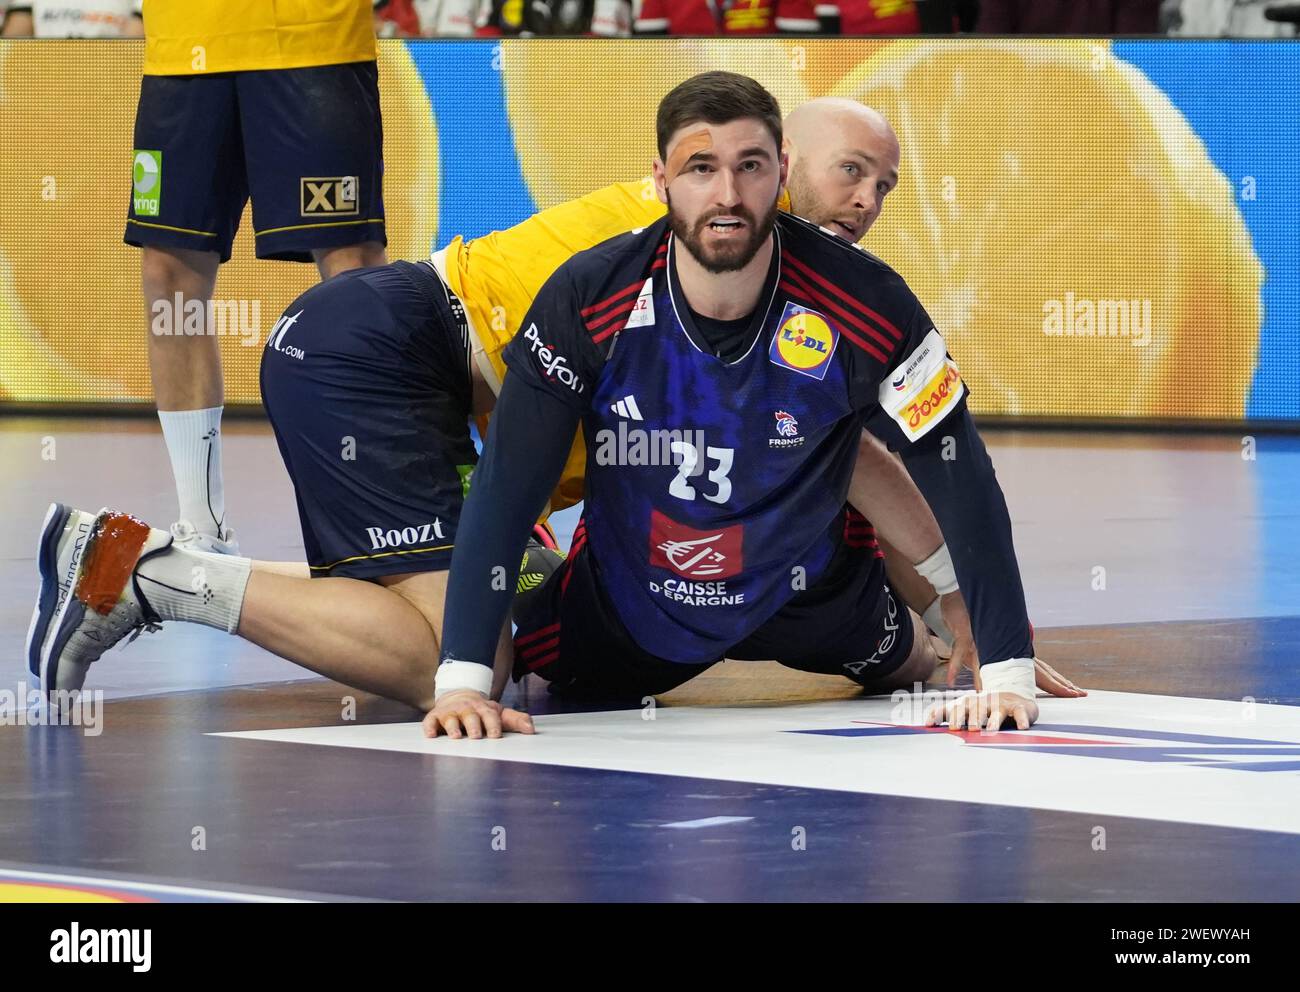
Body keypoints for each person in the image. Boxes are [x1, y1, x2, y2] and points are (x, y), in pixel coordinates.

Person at [29, 89, 1081, 721]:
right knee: (467, 659)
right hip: (386, 350)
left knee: (502, 632)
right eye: (851, 171)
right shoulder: (689, 249)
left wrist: (978, 630)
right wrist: (970, 622)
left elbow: (843, 451)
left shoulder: (780, 278)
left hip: (443, 385)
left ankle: (158, 573)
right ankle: (147, 573)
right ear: (776, 162)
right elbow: (859, 463)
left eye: (886, 186)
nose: (867, 200)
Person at [429, 71, 1047, 740]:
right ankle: (544, 562)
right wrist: (461, 684)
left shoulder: (872, 303)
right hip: (633, 609)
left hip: (816, 596)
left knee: (917, 668)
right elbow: (506, 487)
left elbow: (958, 469)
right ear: (662, 180)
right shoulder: (586, 295)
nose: (727, 194)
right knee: (534, 658)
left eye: (749, 166)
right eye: (701, 168)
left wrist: (1006, 665)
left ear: (779, 170)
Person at [125, 0, 387, 558]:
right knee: (168, 270)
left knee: (352, 273)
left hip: (312, 35)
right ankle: (202, 527)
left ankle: (387, 517)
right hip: (185, 41)